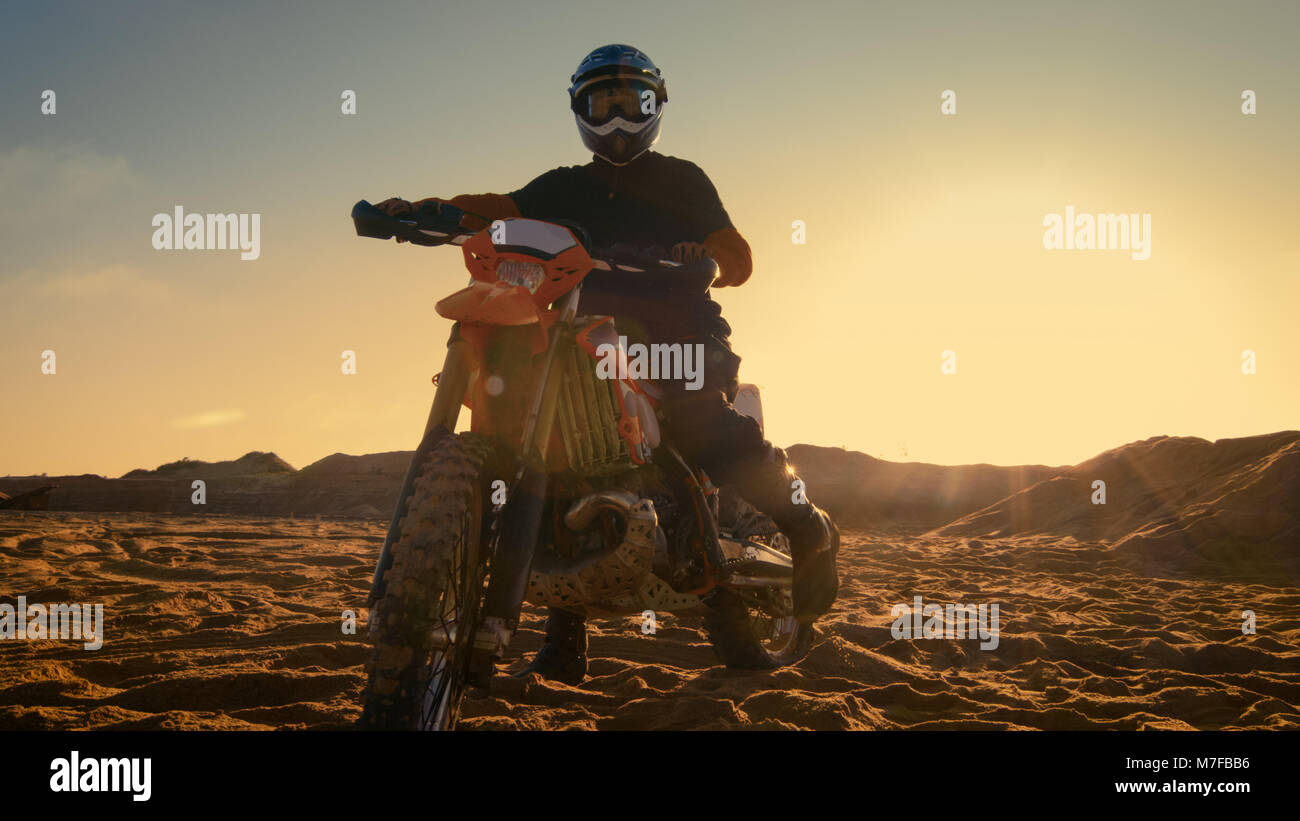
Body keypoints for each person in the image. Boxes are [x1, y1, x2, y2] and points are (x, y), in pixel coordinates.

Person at [376, 44, 837, 685]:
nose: (618, 117)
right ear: (581, 111)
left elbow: (735, 254)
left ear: (654, 107)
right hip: (579, 334)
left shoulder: (682, 179)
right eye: (603, 103)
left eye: (632, 102)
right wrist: (423, 212)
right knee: (556, 442)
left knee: (700, 423)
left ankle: (807, 527)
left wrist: (706, 254)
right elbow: (497, 209)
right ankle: (564, 639)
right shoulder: (562, 186)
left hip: (677, 335)